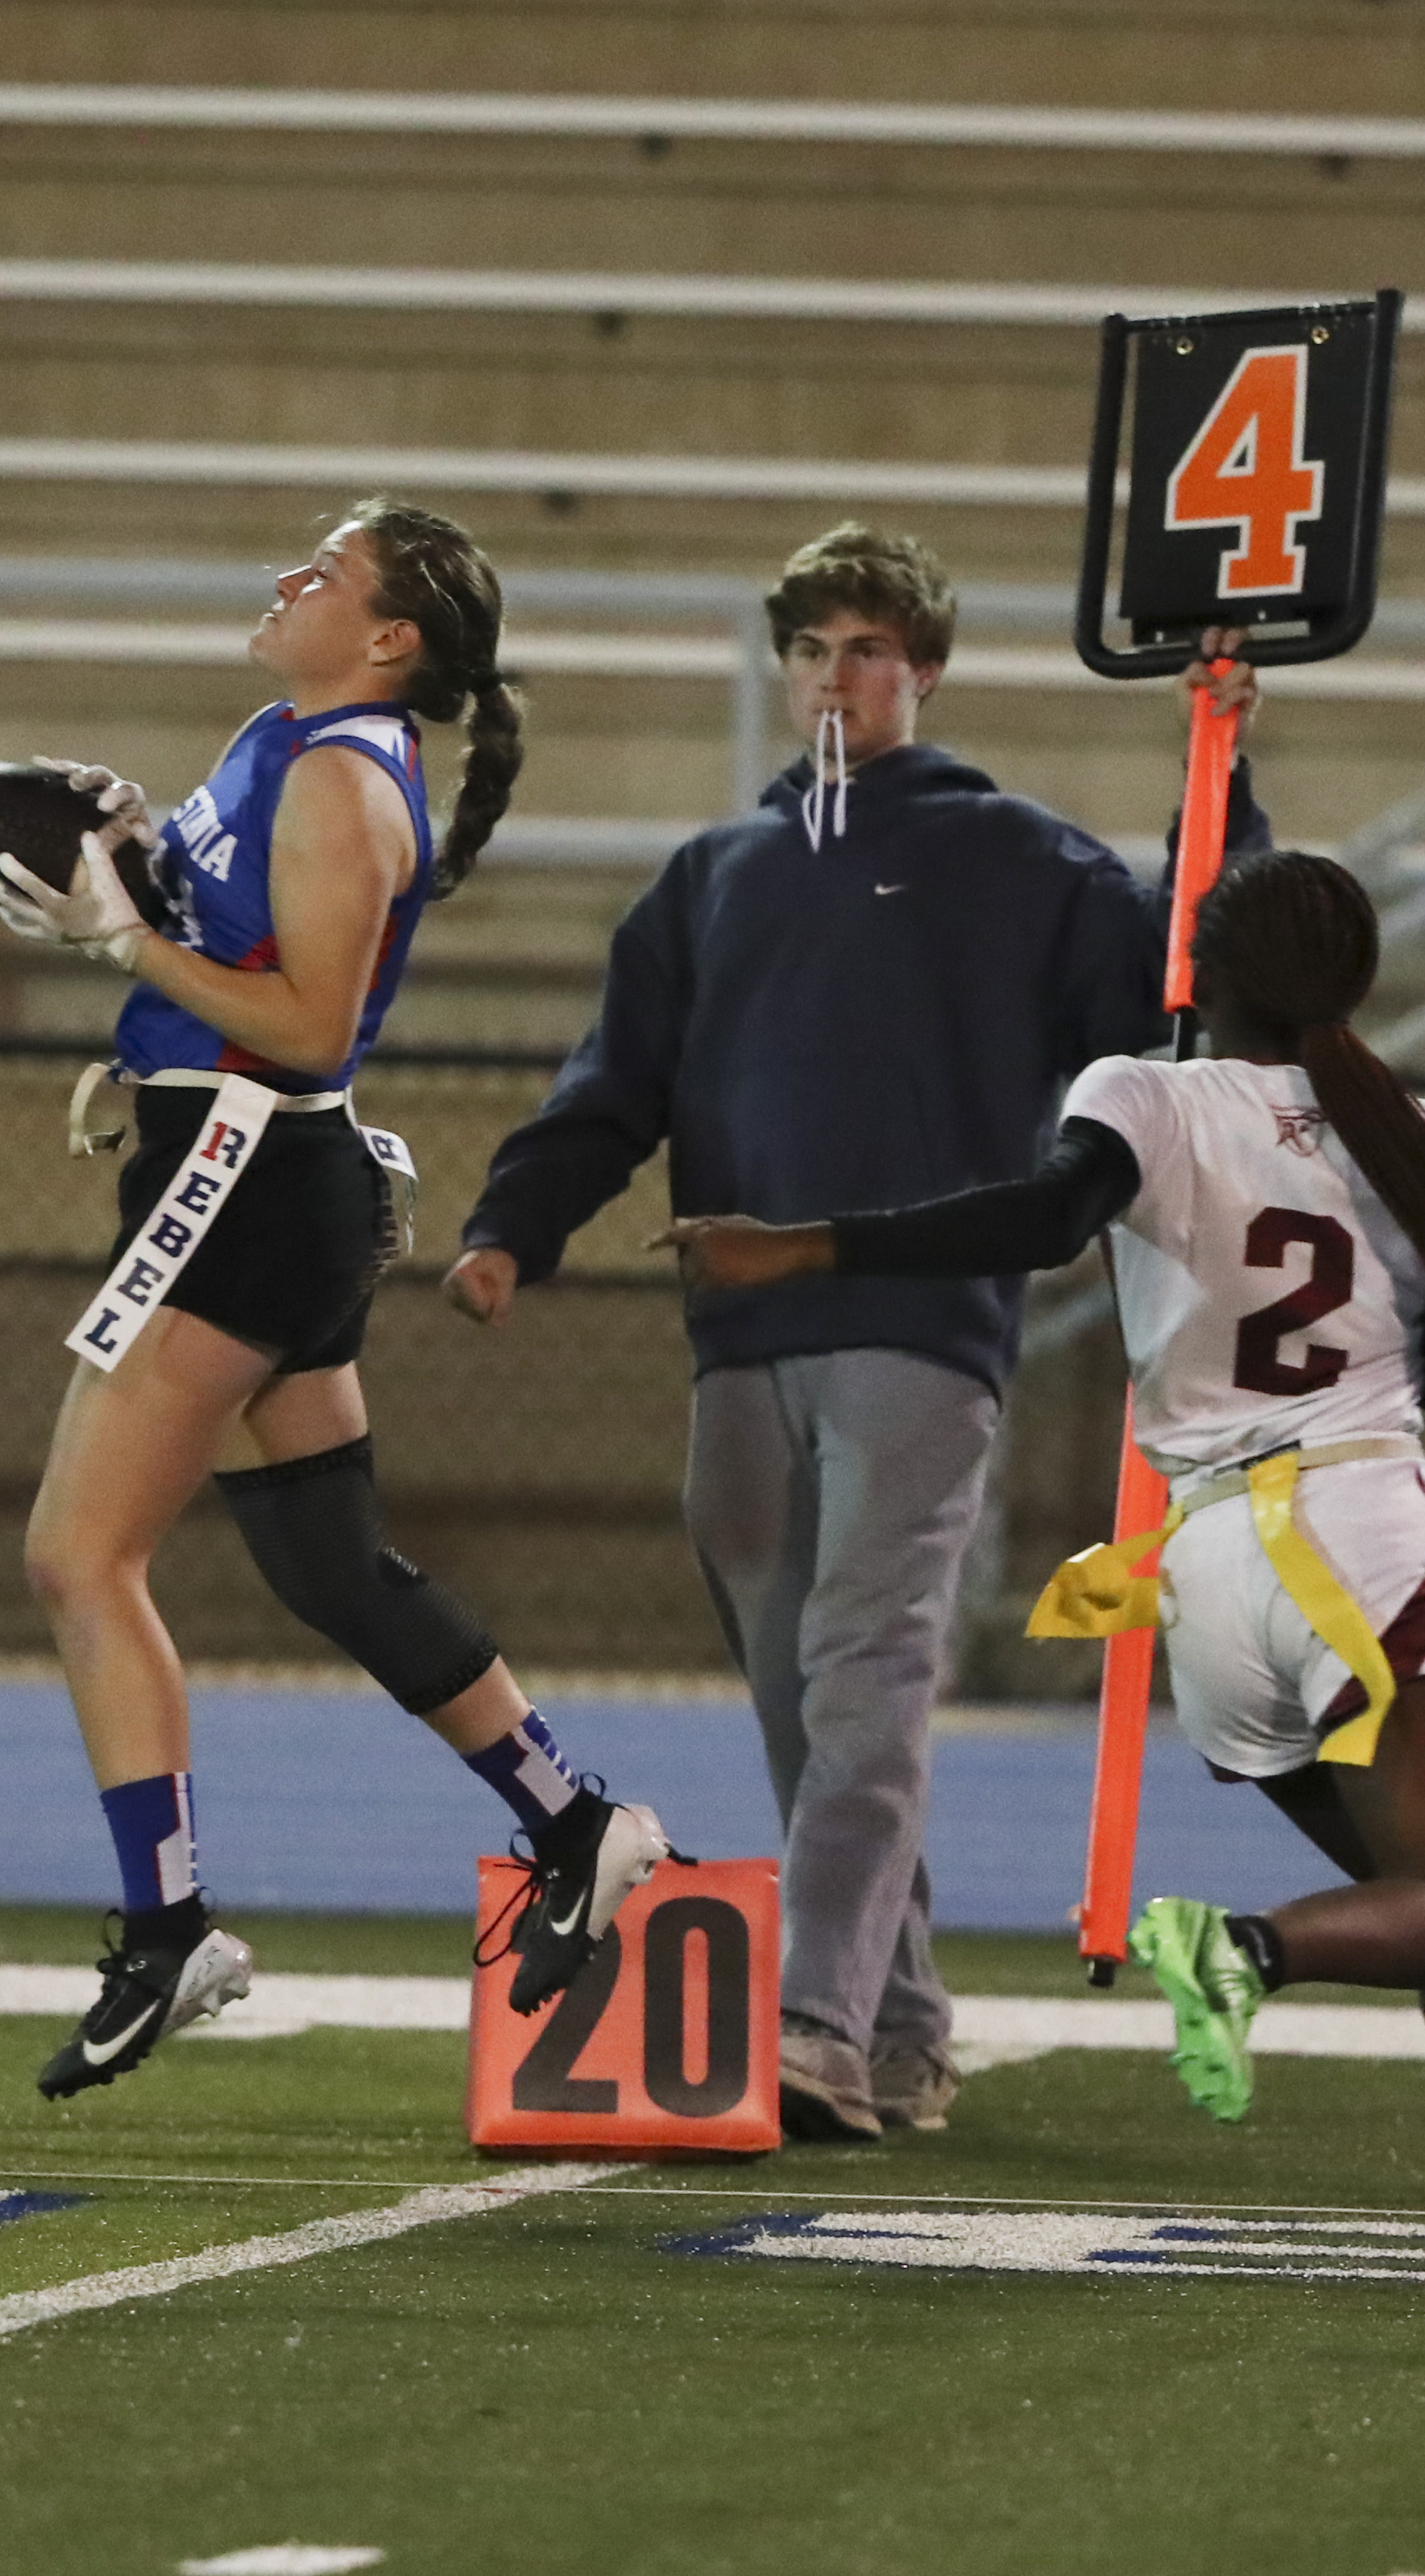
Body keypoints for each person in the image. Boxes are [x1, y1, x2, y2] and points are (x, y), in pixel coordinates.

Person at [442, 523, 1264, 2144]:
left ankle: (812, 2022)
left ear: (925, 672)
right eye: (811, 650)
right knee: (807, 1707)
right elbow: (611, 1085)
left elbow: (1179, 980)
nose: (835, 679)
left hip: (920, 1328)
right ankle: (898, 2027)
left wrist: (1221, 787)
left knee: (866, 1675)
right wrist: (510, 1226)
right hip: (737, 1335)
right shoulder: (713, 876)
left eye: (867, 650)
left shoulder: (1018, 859)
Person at [0, 499, 671, 2099]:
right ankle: (579, 1824)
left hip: (247, 1171)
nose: (288, 579)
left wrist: (121, 940)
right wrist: (140, 855)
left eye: (327, 572)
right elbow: (238, 928)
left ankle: (170, 1928)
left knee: (78, 1556)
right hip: (246, 1171)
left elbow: (304, 1026)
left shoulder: (347, 780)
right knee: (327, 1563)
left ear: (389, 639)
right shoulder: (282, 736)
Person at [662, 849, 1425, 2125]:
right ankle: (1242, 1949)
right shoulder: (1394, 1133)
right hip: (1354, 1541)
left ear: (1199, 974)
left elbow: (1040, 1219)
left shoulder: (1146, 1094)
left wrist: (805, 1247)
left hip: (1211, 1574)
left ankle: (1261, 1949)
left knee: (1404, 1902)